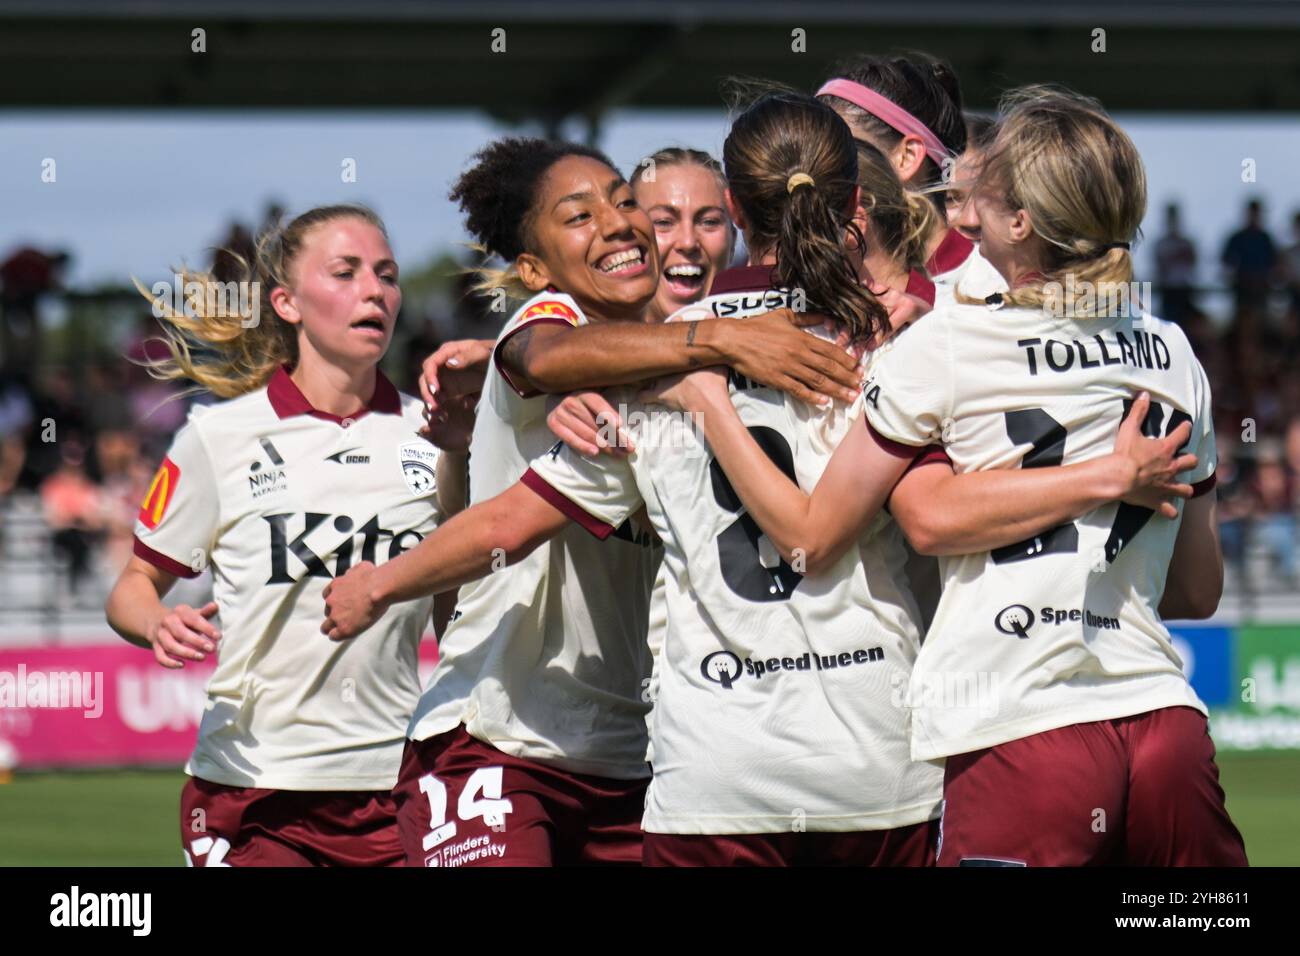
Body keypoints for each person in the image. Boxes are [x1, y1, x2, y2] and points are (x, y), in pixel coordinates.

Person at [323, 92, 1194, 867]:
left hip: (718, 776)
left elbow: (508, 523)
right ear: (856, 201)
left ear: (735, 209)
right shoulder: (902, 344)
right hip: (879, 768)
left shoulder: (654, 366)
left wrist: (376, 586)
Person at [654, 86, 1245, 866]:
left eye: (984, 183)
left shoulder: (944, 345)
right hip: (1165, 724)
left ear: (1019, 222)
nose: (961, 196)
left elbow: (918, 521)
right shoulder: (1173, 352)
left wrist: (697, 384)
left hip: (1022, 730)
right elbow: (1198, 591)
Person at [106, 204, 468, 866]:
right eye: (346, 272)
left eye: (387, 275)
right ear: (287, 302)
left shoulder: (436, 436)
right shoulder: (217, 437)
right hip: (252, 786)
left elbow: (457, 616)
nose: (374, 291)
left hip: (393, 789)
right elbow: (132, 586)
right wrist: (158, 621)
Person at [1221, 199, 1278, 313]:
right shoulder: (1238, 238)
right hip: (1242, 287)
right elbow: (1226, 261)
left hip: (1261, 288)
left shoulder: (1265, 238)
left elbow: (1274, 263)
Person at [1154, 202, 1197, 323]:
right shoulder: (1161, 244)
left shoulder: (1186, 243)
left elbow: (1193, 263)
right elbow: (1159, 267)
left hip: (1184, 290)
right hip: (1168, 292)